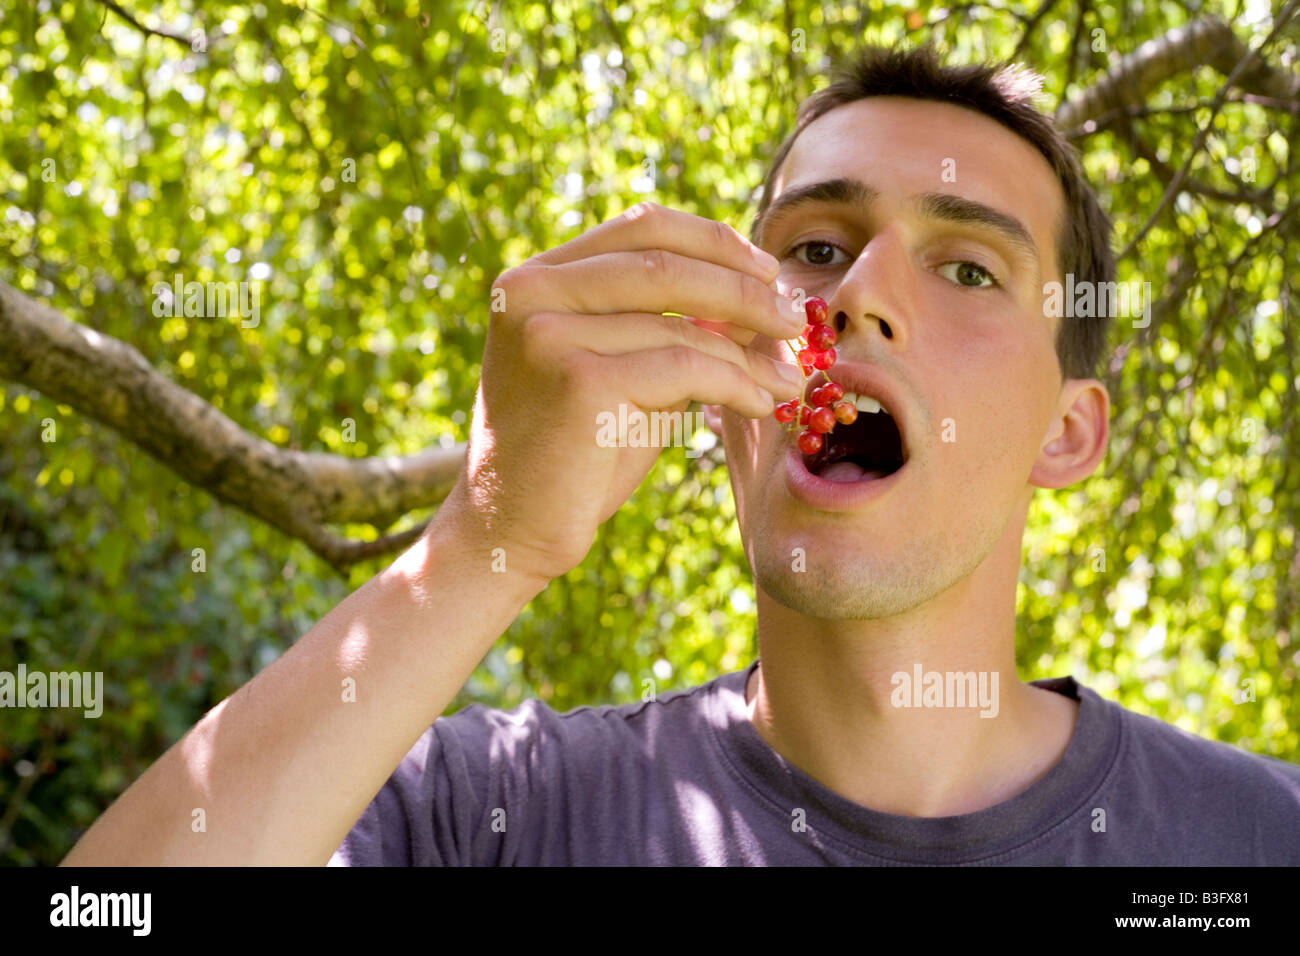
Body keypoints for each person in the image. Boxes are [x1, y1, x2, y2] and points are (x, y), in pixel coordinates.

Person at [64, 42, 1300, 867]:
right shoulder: (483, 815)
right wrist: (484, 544)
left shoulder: (1254, 842)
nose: (859, 292)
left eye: (968, 266)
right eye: (814, 249)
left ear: (1065, 432)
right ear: (722, 384)